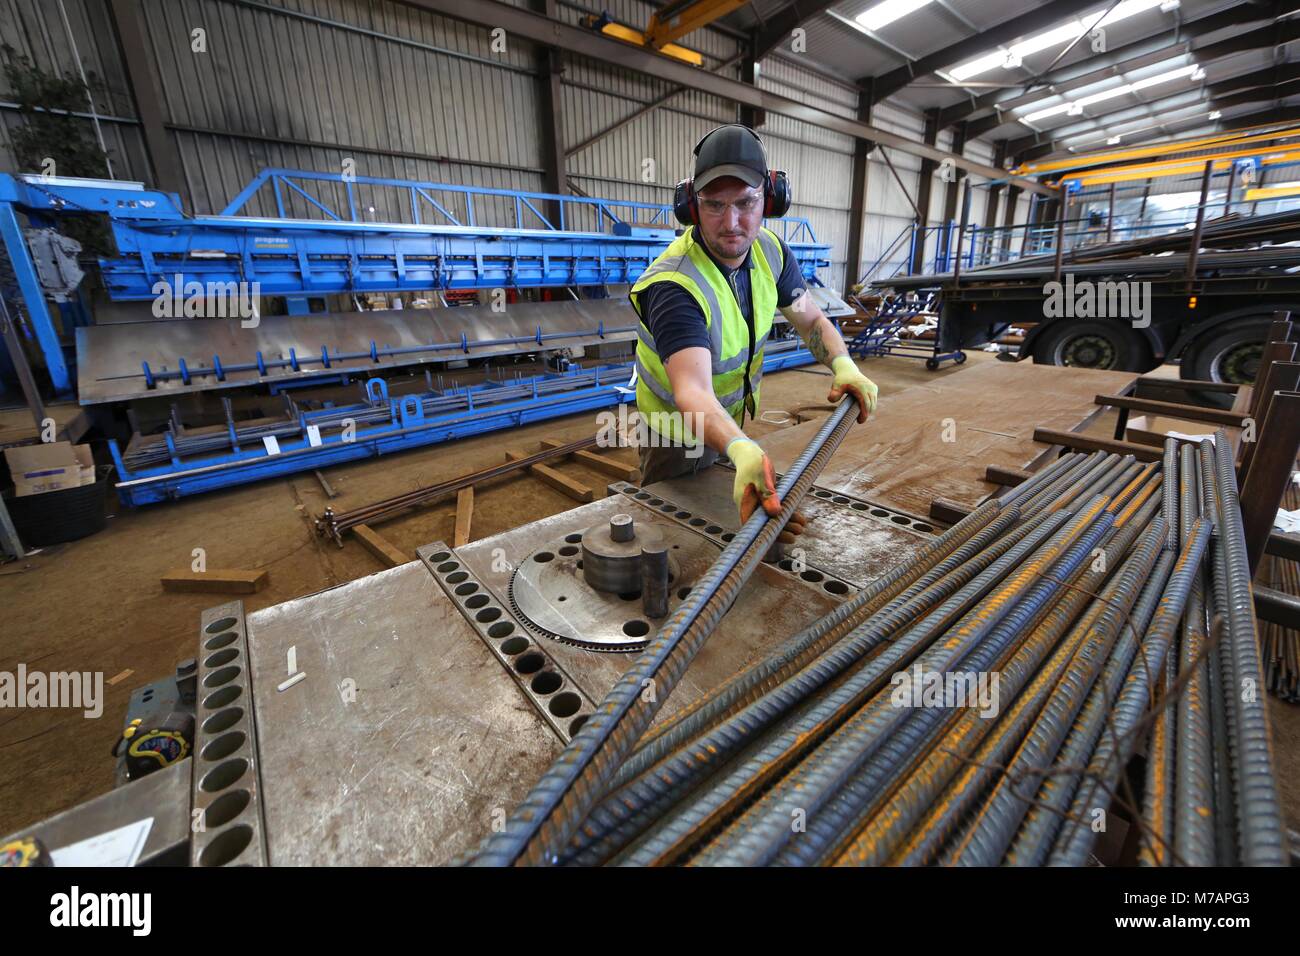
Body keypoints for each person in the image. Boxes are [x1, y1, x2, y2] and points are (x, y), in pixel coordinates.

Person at [630, 124, 878, 529]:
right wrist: (742, 448)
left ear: (771, 199)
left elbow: (811, 317)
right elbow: (692, 390)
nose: (731, 222)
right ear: (692, 207)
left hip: (728, 421)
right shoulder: (674, 285)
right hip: (674, 435)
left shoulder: (771, 253)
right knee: (675, 533)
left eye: (746, 203)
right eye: (714, 205)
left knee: (725, 509)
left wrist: (843, 364)